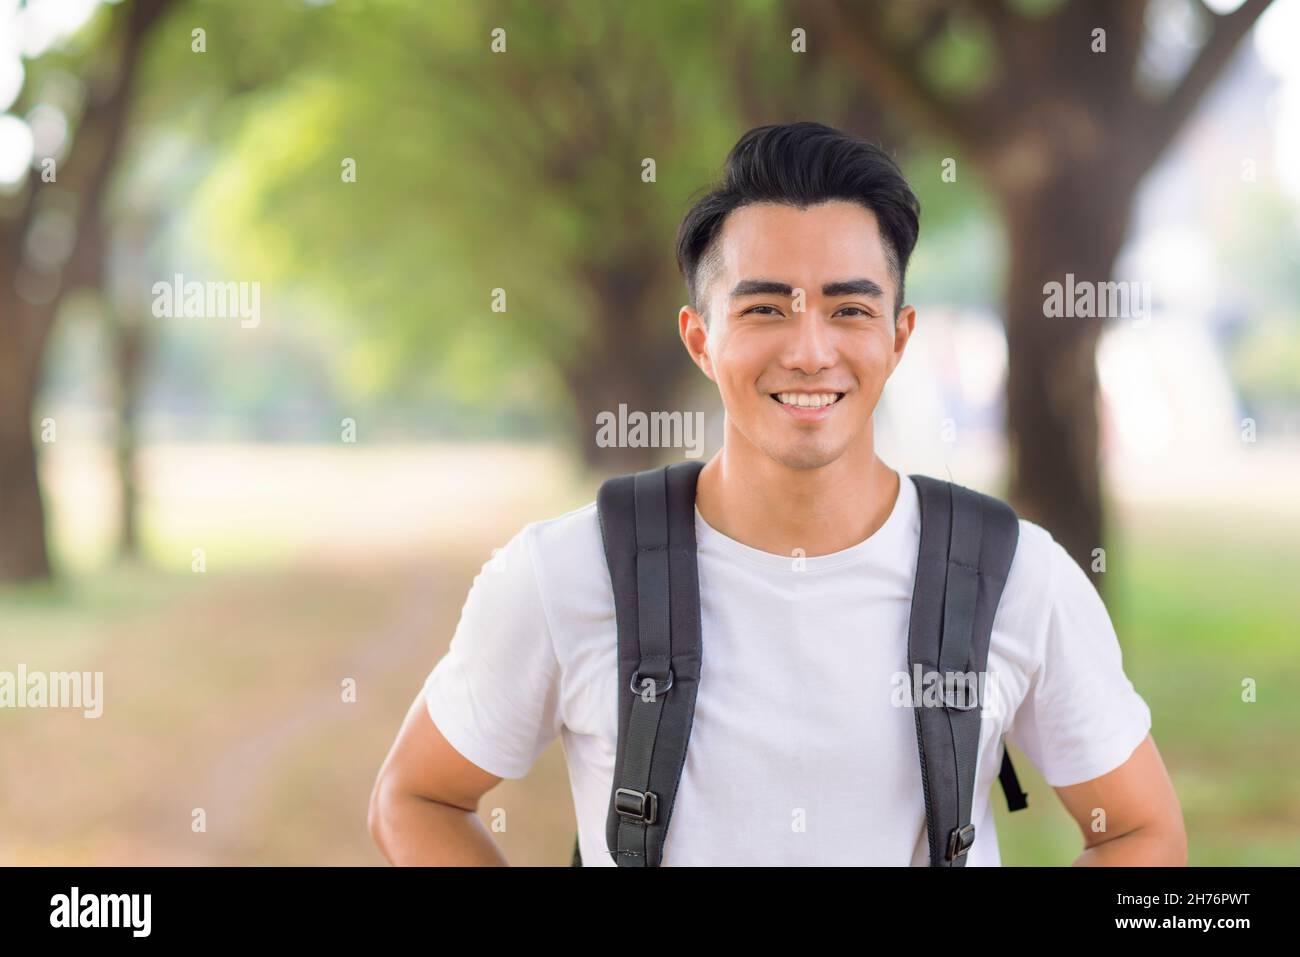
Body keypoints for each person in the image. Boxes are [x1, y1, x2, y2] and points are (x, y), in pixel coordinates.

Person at [367, 121, 1186, 866]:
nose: (809, 350)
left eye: (849, 308)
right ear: (701, 337)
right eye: (765, 307)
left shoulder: (1010, 576)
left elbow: (1142, 830)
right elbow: (416, 796)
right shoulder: (569, 571)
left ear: (897, 337)